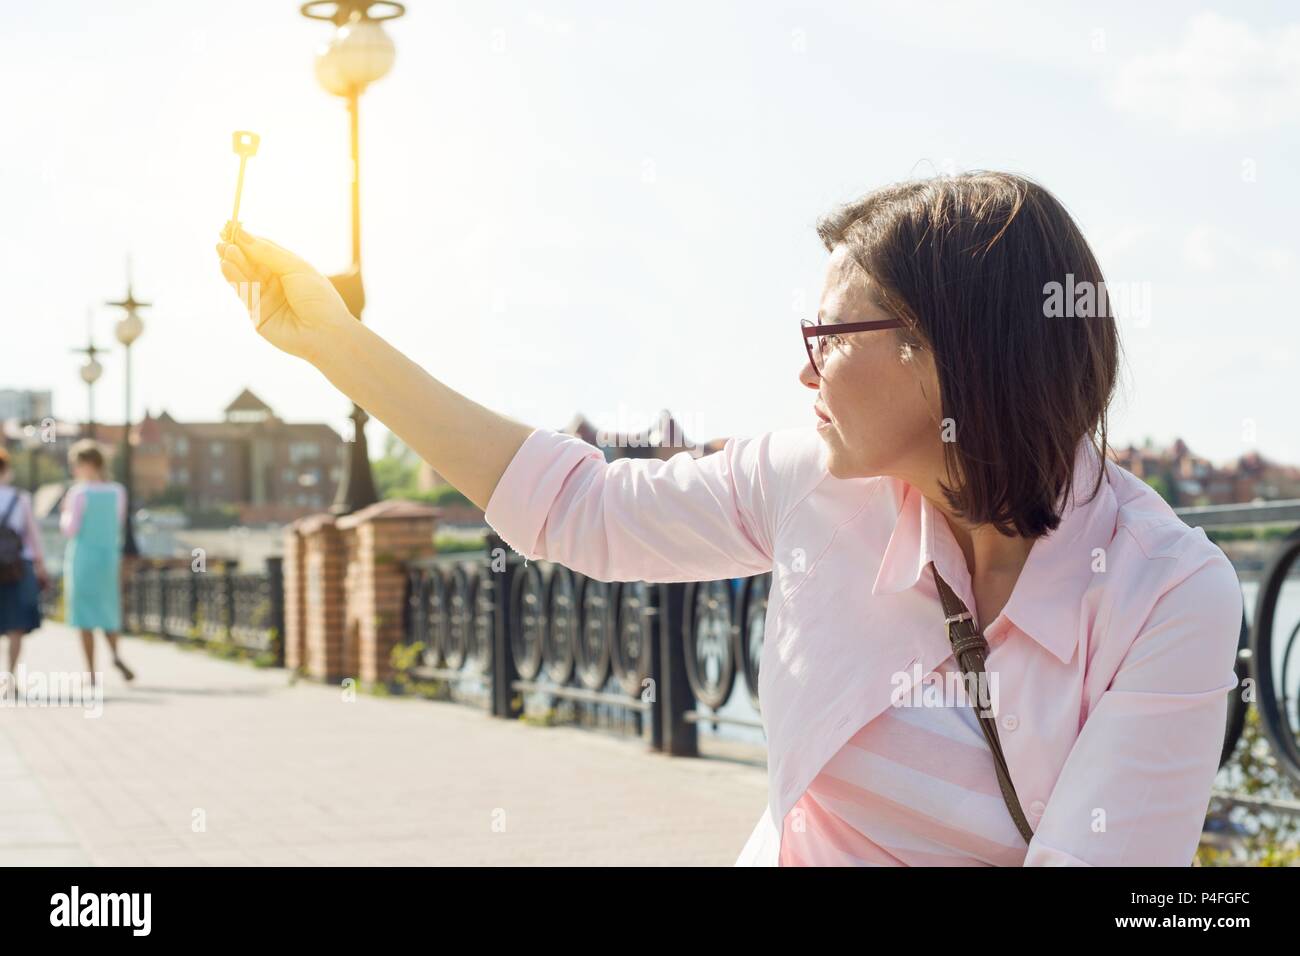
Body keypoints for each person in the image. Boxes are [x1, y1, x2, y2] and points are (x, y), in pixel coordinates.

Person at [215, 170, 1242, 866]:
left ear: (944, 352)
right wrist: (334, 344)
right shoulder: (817, 478)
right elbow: (580, 509)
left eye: (829, 333)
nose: (800, 368)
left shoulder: (1168, 591)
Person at [60, 440, 134, 684]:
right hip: (108, 558)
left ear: (88, 464)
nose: (74, 470)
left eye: (76, 464)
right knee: (108, 610)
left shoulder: (79, 493)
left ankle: (91, 673)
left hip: (83, 558)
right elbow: (119, 524)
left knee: (84, 616)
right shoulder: (118, 491)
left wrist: (65, 515)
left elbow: (71, 529)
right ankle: (115, 654)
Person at [0, 447, 48, 673]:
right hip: (18, 566)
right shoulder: (21, 499)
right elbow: (33, 536)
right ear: (7, 470)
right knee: (15, 625)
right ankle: (10, 675)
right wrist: (41, 566)